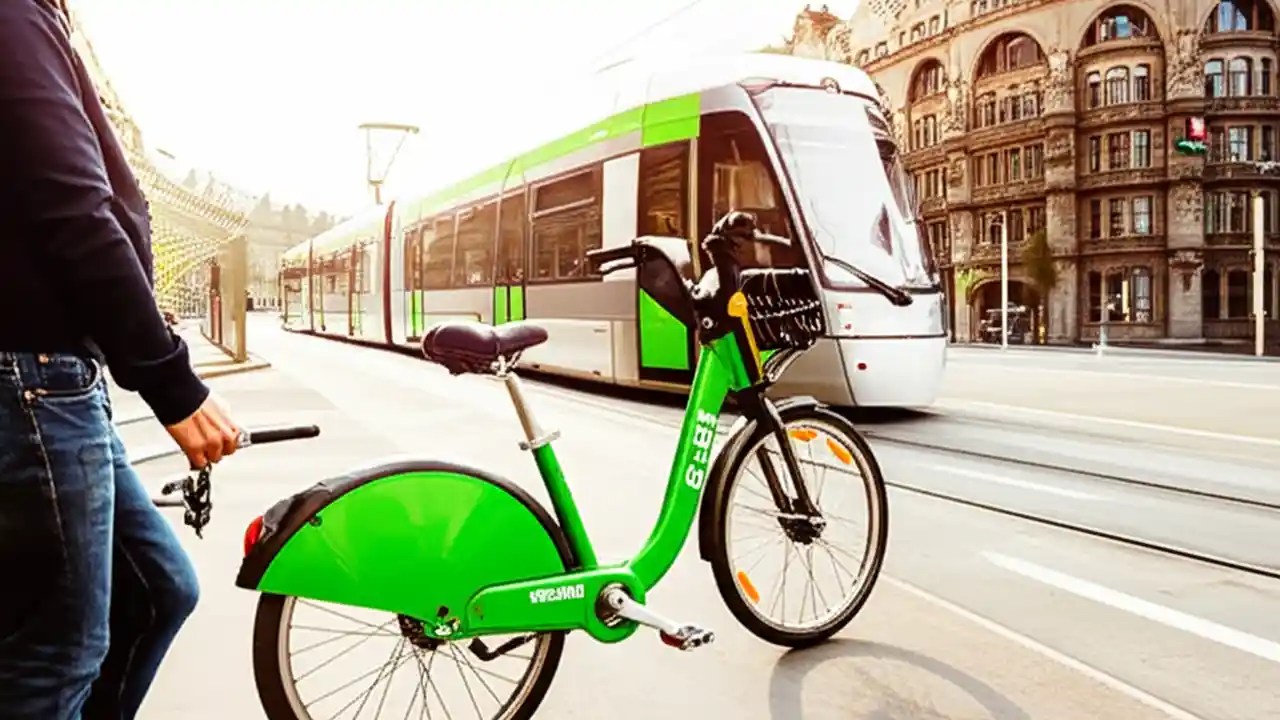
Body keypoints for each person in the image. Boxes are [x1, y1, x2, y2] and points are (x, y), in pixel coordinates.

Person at [0, 2, 242, 718]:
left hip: (55, 378)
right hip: (34, 382)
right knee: (56, 654)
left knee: (159, 589)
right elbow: (73, 210)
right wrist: (173, 384)